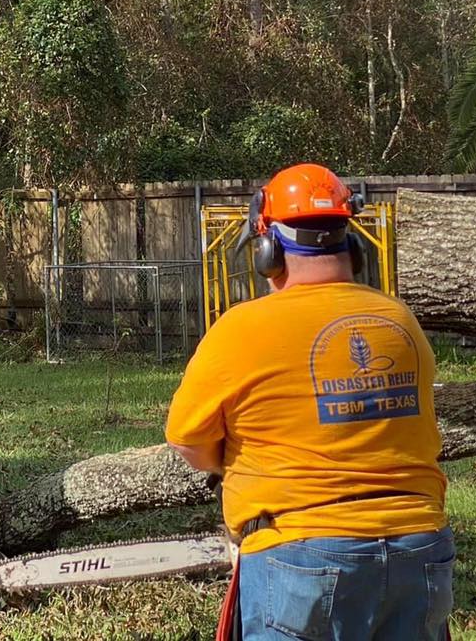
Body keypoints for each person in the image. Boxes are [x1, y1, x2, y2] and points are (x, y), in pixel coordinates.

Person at [167, 163, 452, 641]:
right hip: (420, 548)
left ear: (269, 251)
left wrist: (240, 465)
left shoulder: (241, 329)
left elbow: (187, 442)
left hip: (302, 556)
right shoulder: (399, 320)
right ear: (353, 247)